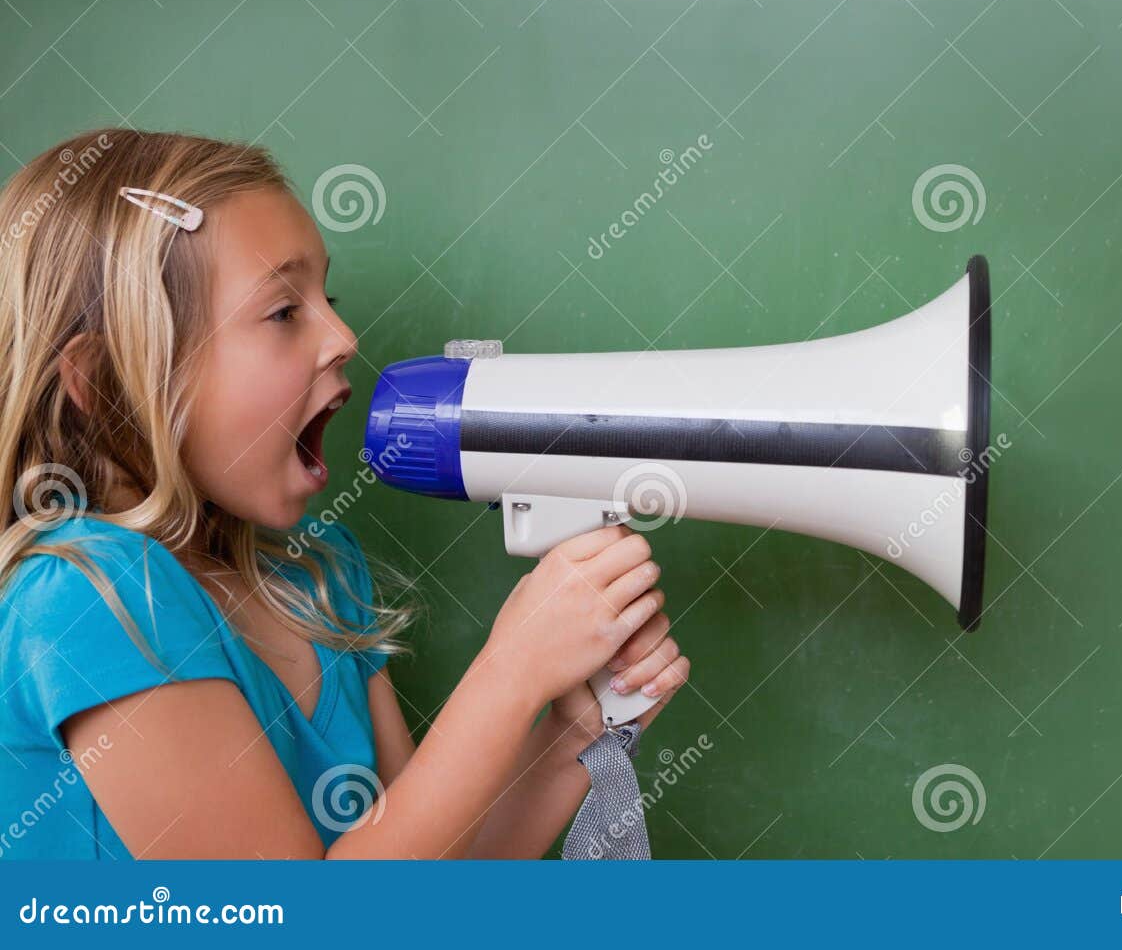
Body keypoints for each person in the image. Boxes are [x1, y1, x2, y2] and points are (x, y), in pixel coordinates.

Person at [0, 129, 689, 858]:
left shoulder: (317, 573)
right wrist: (509, 673)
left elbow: (422, 886)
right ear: (104, 381)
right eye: (283, 312)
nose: (343, 334)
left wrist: (568, 737)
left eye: (326, 298)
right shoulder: (84, 600)